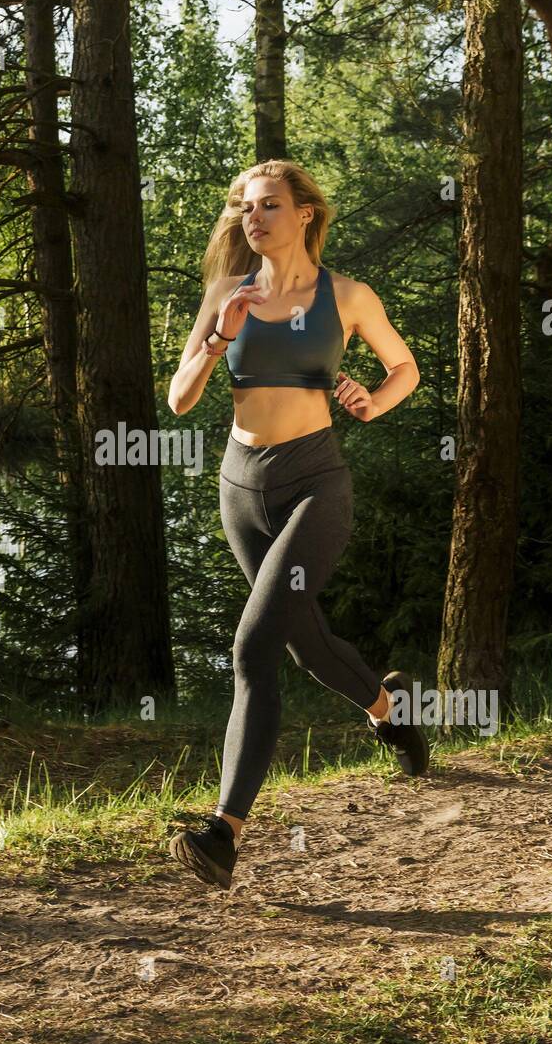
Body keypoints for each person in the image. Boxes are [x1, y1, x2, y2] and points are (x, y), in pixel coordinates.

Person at [166, 160, 428, 891]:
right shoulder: (227, 293)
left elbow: (403, 367)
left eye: (270, 205)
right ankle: (390, 710)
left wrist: (373, 399)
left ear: (305, 213)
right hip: (240, 487)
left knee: (254, 646)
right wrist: (220, 337)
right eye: (247, 208)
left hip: (316, 483)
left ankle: (224, 832)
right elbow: (182, 399)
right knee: (305, 642)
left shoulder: (345, 295)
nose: (255, 218)